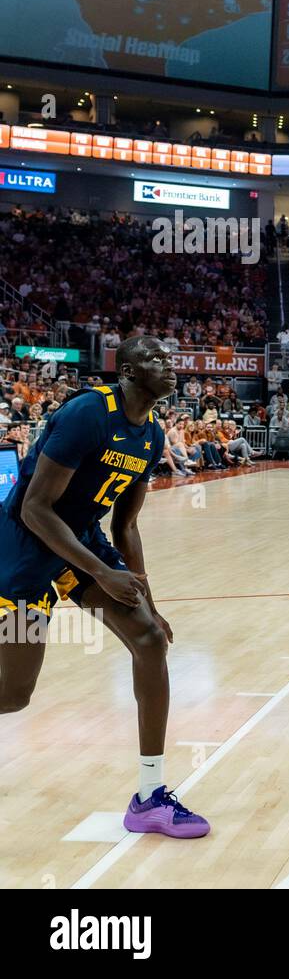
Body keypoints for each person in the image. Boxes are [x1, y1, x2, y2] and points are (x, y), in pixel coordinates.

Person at [0, 336, 210, 837]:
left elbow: (125, 527)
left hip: (84, 542)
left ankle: (150, 797)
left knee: (149, 640)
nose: (170, 364)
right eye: (156, 358)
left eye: (169, 356)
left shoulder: (152, 435)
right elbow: (34, 508)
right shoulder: (87, 415)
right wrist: (99, 572)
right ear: (130, 372)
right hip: (26, 550)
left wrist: (151, 606)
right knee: (13, 696)